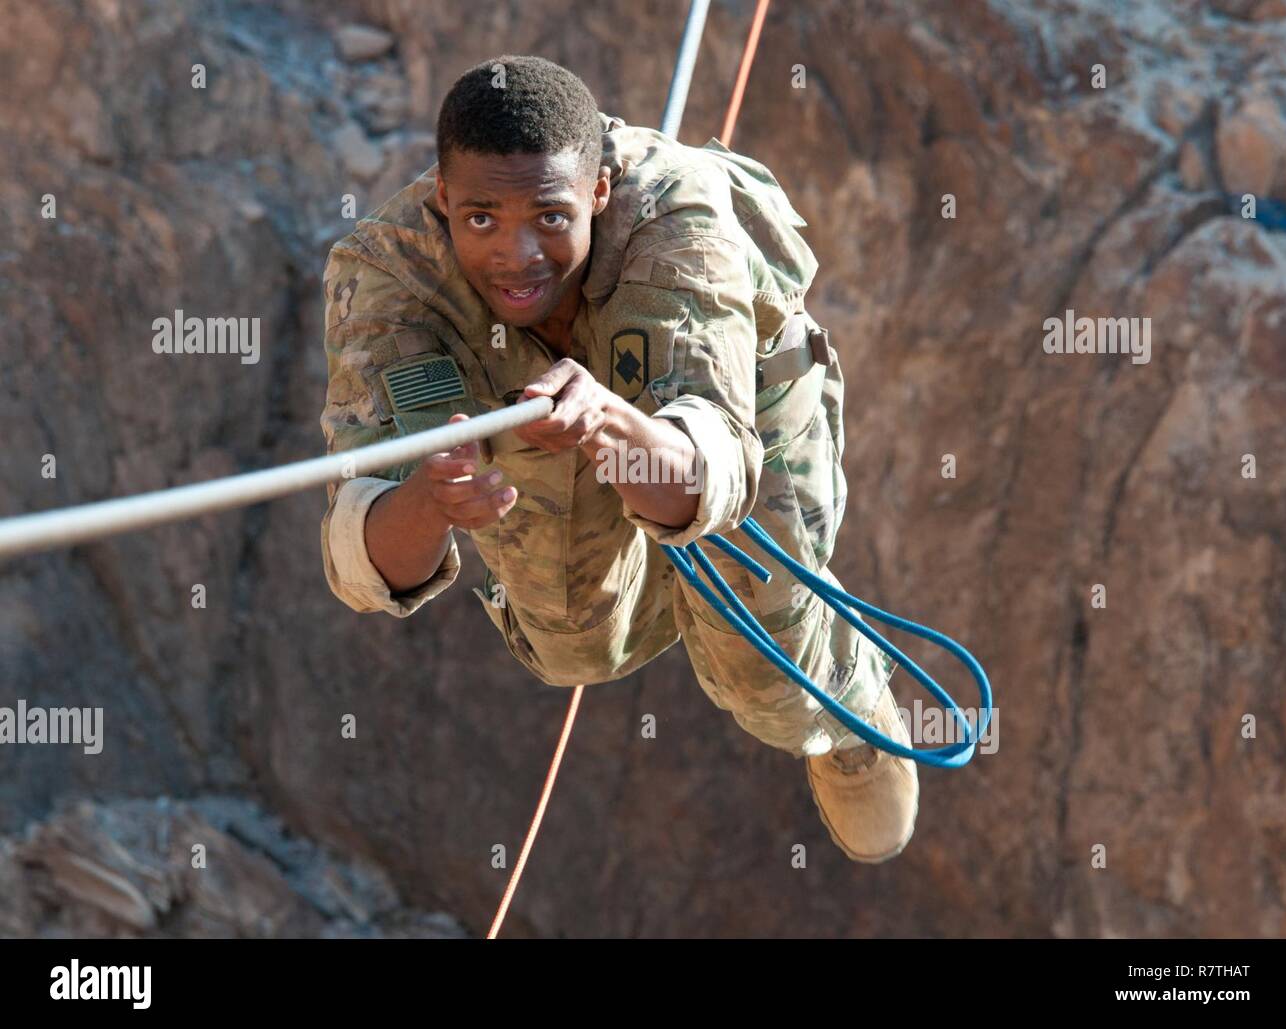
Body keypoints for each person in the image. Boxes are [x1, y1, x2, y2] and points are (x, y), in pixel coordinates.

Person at [318, 54, 918, 863]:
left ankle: (846, 701)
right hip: (546, 421)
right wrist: (433, 500)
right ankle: (700, 603)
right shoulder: (389, 276)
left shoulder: (677, 214)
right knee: (574, 648)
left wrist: (614, 425)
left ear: (598, 191)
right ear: (443, 202)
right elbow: (362, 543)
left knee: (765, 679)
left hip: (735, 411)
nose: (516, 254)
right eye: (482, 219)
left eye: (551, 217)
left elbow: (715, 461)